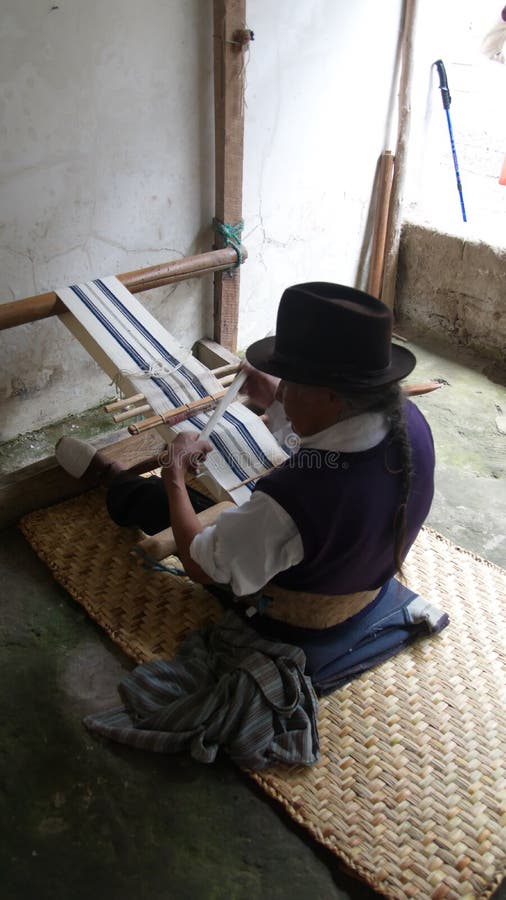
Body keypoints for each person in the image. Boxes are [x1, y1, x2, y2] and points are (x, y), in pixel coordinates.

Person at [56, 283, 447, 698]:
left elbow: (200, 566)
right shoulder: (409, 422)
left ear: (333, 395)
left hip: (299, 616)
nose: (282, 393)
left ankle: (111, 479)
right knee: (236, 511)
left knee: (164, 503)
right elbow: (332, 457)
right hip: (367, 585)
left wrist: (172, 475)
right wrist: (275, 399)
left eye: (292, 385)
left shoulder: (293, 501)